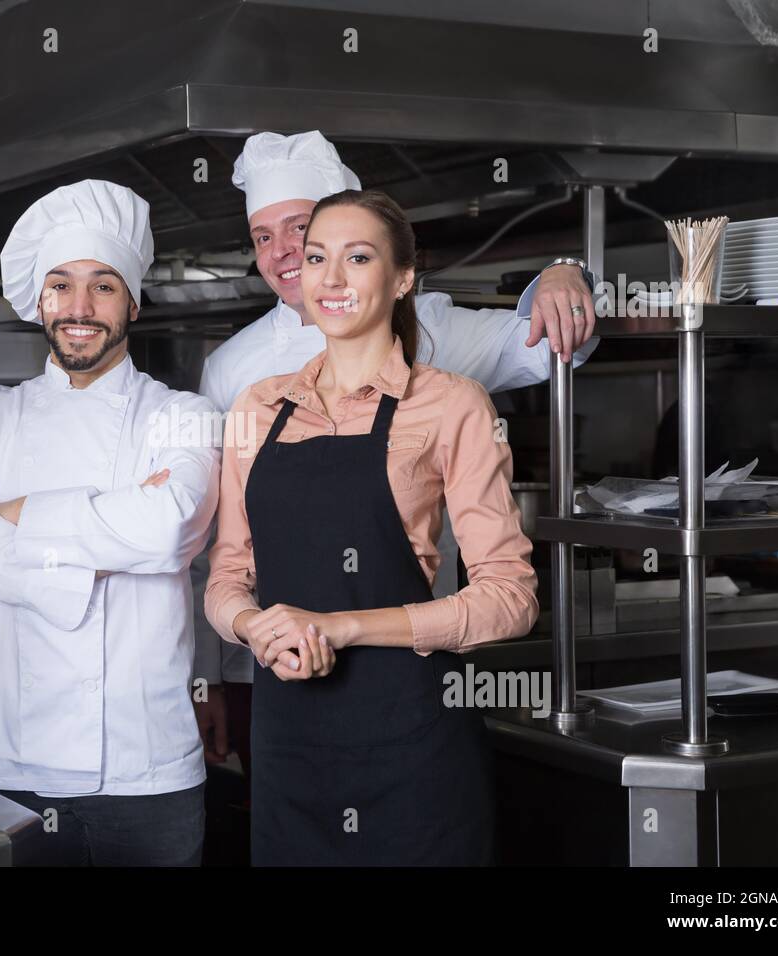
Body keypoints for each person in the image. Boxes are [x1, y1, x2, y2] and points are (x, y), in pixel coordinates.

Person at [192, 130, 595, 780]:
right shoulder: (238, 377)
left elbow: (550, 345)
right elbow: (221, 556)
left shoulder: (438, 343)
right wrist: (218, 666)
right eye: (264, 237)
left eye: (304, 231)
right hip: (280, 694)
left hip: (412, 691)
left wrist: (564, 273)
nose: (286, 253)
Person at [204, 188, 539, 865]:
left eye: (357, 258)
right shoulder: (258, 407)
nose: (329, 279)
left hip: (411, 744)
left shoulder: (450, 404)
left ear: (403, 277)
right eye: (317, 256)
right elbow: (228, 574)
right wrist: (252, 627)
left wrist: (344, 627)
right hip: (289, 747)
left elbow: (510, 600)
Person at [0, 180, 221, 866]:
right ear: (39, 302)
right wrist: (110, 536)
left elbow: (169, 529)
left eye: (104, 286)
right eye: (61, 286)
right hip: (18, 764)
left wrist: (16, 514)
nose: (80, 308)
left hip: (150, 766)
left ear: (134, 302)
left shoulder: (185, 413)